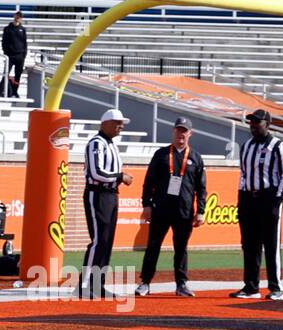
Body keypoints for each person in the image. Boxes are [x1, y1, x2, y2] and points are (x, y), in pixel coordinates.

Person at [136, 117, 205, 298]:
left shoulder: (196, 158)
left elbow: (201, 188)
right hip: (161, 209)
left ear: (190, 133)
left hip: (184, 211)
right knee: (153, 245)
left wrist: (201, 211)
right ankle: (145, 282)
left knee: (181, 248)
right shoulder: (161, 154)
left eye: (184, 131)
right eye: (178, 130)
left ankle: (181, 284)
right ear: (173, 131)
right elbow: (148, 181)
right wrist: (147, 204)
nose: (181, 134)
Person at [230, 109, 283, 300]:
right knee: (250, 245)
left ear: (267, 125)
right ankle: (251, 287)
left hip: (269, 198)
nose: (253, 126)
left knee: (271, 245)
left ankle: (276, 287)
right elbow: (243, 175)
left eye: (257, 123)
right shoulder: (246, 146)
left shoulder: (277, 146)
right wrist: (241, 200)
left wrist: (277, 199)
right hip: (248, 199)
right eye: (251, 122)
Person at [80, 108, 133, 299]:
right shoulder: (96, 143)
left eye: (122, 124)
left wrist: (118, 179)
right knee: (98, 240)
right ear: (106, 123)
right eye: (118, 123)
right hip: (98, 194)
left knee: (107, 241)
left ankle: (98, 283)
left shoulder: (111, 144)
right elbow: (96, 173)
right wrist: (120, 176)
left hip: (110, 195)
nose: (121, 127)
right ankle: (85, 285)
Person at [1, 11, 28, 98]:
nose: (18, 18)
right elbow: (4, 42)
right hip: (10, 55)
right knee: (6, 72)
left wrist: (24, 54)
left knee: (18, 75)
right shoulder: (8, 28)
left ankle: (15, 91)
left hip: (20, 56)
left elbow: (25, 43)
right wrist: (6, 52)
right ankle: (2, 90)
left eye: (20, 17)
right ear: (14, 16)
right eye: (17, 16)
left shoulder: (22, 29)